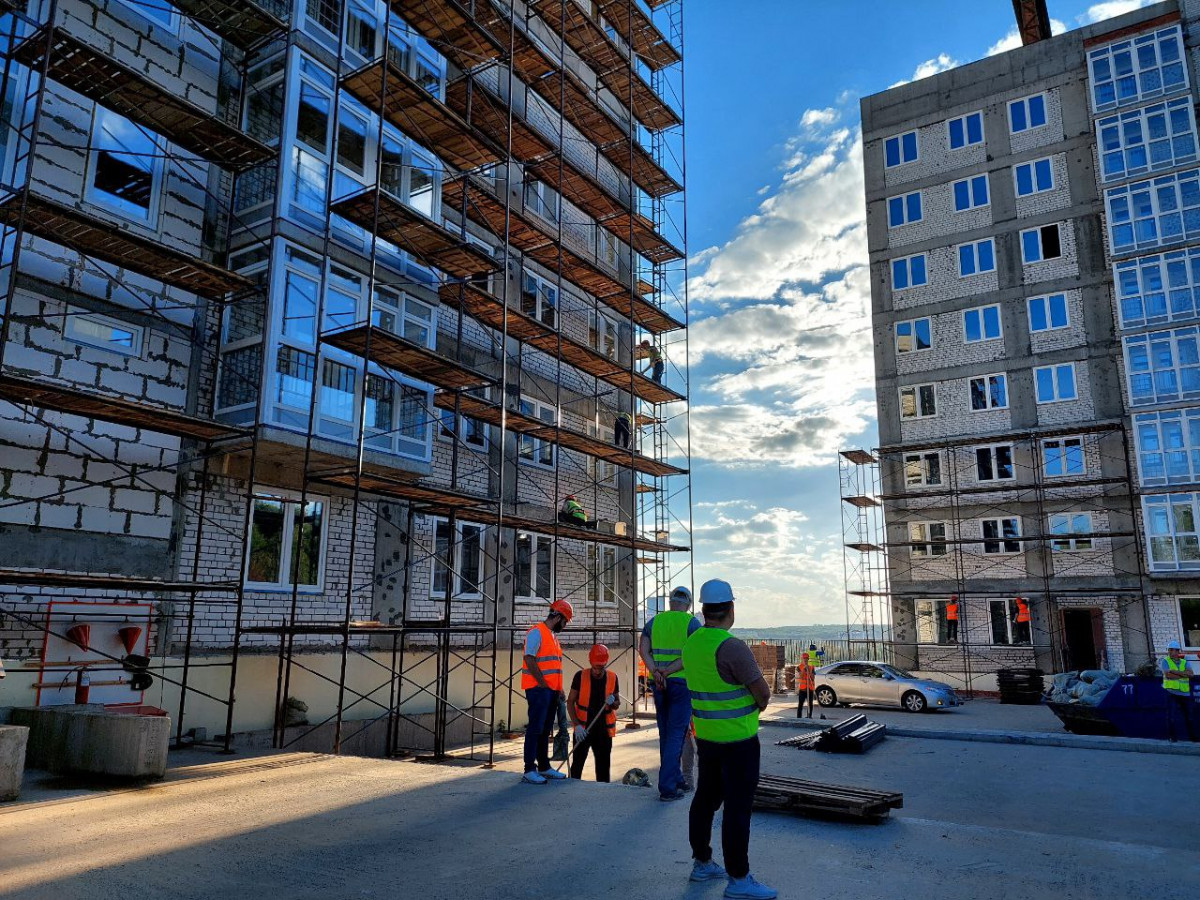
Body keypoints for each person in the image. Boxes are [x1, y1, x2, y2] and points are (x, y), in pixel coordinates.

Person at [674, 579, 775, 900]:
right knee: (737, 808)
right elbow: (763, 694)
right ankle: (739, 879)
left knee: (705, 799)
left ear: (704, 609)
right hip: (739, 742)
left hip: (707, 738)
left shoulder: (692, 643)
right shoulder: (731, 647)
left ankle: (702, 863)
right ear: (730, 609)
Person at [638, 584, 700, 801]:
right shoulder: (691, 623)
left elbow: (643, 648)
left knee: (666, 733)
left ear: (670, 602)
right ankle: (668, 788)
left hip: (660, 685)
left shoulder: (655, 621)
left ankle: (676, 779)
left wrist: (656, 671)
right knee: (677, 734)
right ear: (688, 604)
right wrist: (668, 670)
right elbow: (694, 654)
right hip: (681, 685)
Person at [521, 599, 574, 784]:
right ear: (558, 616)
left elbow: (554, 667)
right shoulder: (537, 632)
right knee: (536, 728)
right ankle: (529, 769)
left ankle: (543, 766)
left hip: (550, 691)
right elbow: (529, 658)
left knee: (545, 730)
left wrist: (559, 689)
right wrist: (543, 684)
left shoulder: (552, 636)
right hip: (538, 689)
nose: (564, 625)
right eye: (565, 621)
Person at [568, 643, 621, 782]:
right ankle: (571, 792)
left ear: (606, 663)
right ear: (590, 662)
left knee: (603, 769)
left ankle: (603, 796)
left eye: (601, 667)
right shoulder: (580, 676)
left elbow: (617, 704)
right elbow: (570, 702)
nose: (598, 671)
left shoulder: (613, 677)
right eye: (595, 667)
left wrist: (613, 702)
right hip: (583, 730)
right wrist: (577, 726)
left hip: (603, 731)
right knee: (577, 766)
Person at [1159, 640, 1197, 743]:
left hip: (1185, 694)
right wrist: (1183, 674)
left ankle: (1193, 738)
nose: (1171, 652)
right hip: (1172, 693)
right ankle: (1172, 738)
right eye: (1169, 650)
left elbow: (1191, 674)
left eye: (1173, 650)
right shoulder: (1165, 661)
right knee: (1171, 717)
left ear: (1177, 651)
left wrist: (1175, 671)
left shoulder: (1184, 662)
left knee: (1189, 717)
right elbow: (1168, 675)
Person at [796, 651, 815, 718]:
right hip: (803, 689)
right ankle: (799, 718)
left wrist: (809, 671)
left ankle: (809, 716)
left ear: (808, 659)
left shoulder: (811, 667)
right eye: (804, 658)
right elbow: (800, 676)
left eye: (806, 658)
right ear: (802, 659)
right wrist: (804, 669)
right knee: (800, 704)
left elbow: (813, 678)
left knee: (810, 704)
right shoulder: (799, 667)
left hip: (810, 688)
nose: (805, 659)